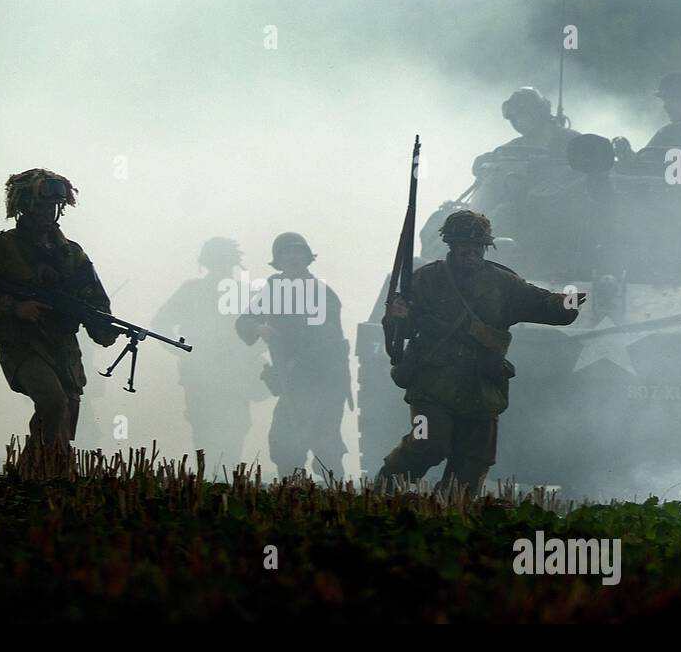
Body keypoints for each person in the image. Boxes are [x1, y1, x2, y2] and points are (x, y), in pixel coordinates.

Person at [374, 210, 585, 494]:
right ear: (451, 243)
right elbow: (402, 331)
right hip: (432, 385)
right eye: (463, 243)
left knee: (474, 461)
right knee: (427, 442)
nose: (470, 250)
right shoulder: (425, 279)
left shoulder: (504, 283)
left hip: (481, 386)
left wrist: (565, 303)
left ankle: (451, 515)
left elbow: (541, 302)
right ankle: (384, 490)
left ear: (486, 247)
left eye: (477, 245)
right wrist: (397, 317)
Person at [0, 169, 118, 456]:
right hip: (22, 344)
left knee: (67, 412)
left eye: (53, 206)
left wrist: (105, 328)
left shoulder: (72, 253)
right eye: (40, 205)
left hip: (62, 347)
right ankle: (41, 477)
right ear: (24, 206)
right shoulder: (0, 248)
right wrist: (14, 307)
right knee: (52, 401)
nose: (47, 212)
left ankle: (43, 478)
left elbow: (95, 299)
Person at [235, 232, 351, 480]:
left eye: (298, 252)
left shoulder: (322, 294)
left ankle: (339, 502)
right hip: (292, 384)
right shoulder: (272, 291)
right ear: (278, 260)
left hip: (325, 381)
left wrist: (293, 366)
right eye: (286, 253)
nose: (293, 258)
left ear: (307, 258)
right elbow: (243, 322)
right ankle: (293, 500)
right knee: (284, 446)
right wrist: (259, 328)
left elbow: (328, 343)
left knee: (325, 449)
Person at [151, 237, 265, 467]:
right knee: (205, 430)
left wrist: (249, 355)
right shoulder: (192, 291)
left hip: (235, 376)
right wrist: (184, 352)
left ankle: (226, 480)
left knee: (232, 431)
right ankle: (213, 482)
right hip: (201, 374)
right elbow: (161, 323)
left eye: (224, 260)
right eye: (217, 260)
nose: (221, 266)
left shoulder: (246, 293)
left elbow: (264, 332)